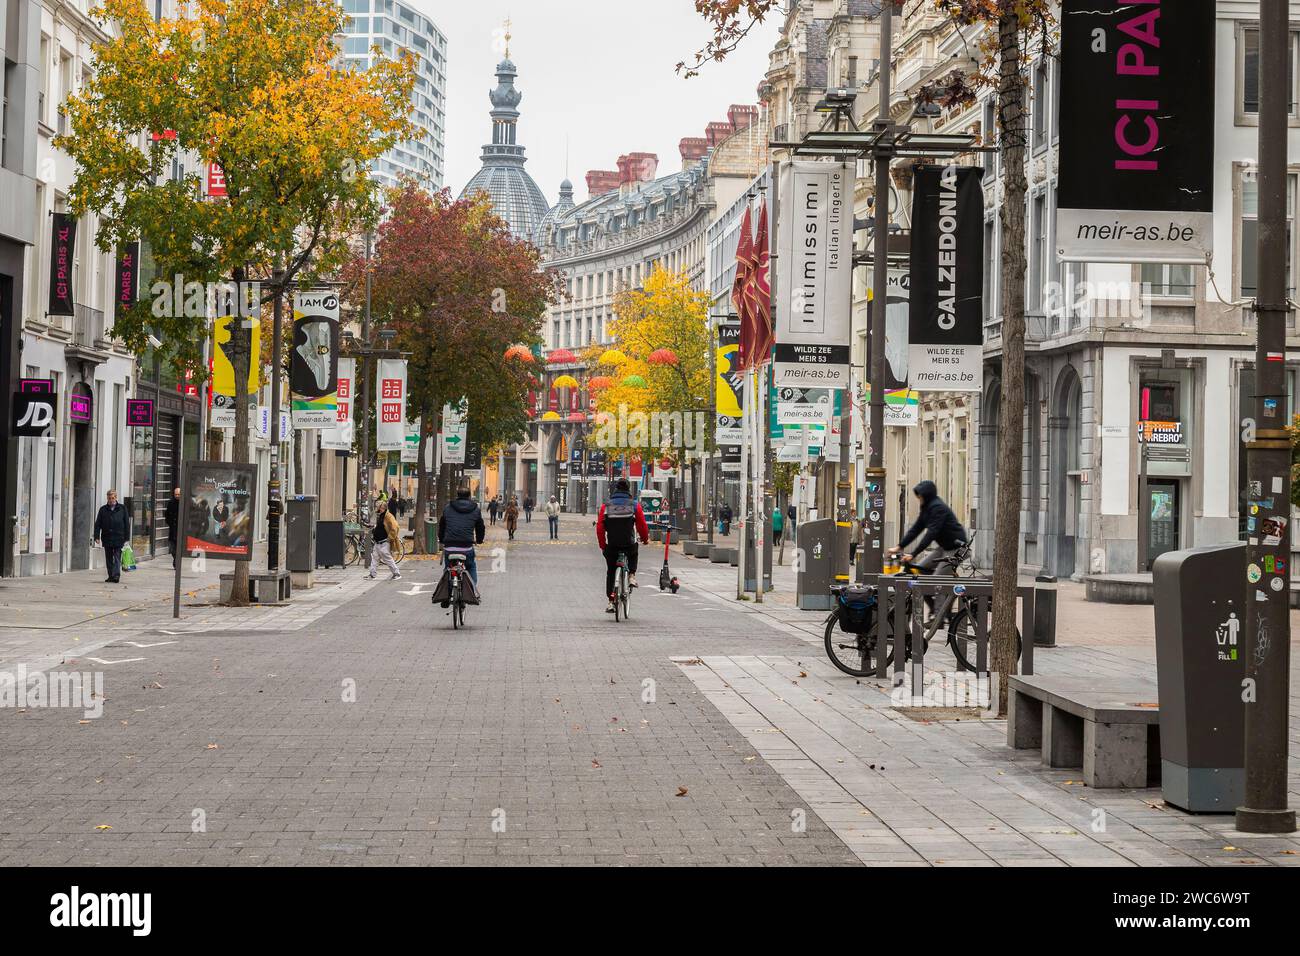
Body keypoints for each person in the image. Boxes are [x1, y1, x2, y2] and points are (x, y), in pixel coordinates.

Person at [889, 479, 968, 575]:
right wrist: (899, 546)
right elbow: (916, 529)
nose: (918, 498)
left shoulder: (938, 508)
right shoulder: (926, 508)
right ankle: (947, 578)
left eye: (920, 496)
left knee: (936, 581)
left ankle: (949, 584)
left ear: (927, 496)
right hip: (945, 547)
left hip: (957, 549)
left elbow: (931, 534)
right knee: (921, 568)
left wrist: (913, 554)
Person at [596, 478, 649, 613]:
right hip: (628, 544)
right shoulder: (634, 505)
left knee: (611, 571)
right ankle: (631, 574)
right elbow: (642, 524)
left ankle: (611, 601)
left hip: (612, 545)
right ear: (628, 490)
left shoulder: (606, 506)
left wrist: (603, 545)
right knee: (634, 550)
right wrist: (644, 538)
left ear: (615, 489)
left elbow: (600, 527)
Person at [438, 482, 485, 586]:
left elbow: (442, 526)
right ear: (469, 496)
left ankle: (446, 592)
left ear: (457, 495)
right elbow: (480, 527)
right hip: (467, 546)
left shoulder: (448, 508)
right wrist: (479, 540)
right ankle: (472, 589)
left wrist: (441, 539)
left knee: (448, 568)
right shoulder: (475, 509)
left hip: (450, 546)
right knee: (471, 566)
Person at [93, 489, 131, 583]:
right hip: (107, 537)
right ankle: (110, 576)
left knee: (117, 557)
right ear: (107, 498)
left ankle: (116, 576)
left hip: (119, 537)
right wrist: (96, 536)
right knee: (109, 558)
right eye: (109, 498)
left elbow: (127, 523)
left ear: (116, 498)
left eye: (112, 498)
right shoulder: (103, 509)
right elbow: (98, 524)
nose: (111, 500)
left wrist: (127, 538)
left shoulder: (122, 508)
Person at [367, 498, 402, 580]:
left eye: (377, 507)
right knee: (375, 558)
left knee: (387, 558)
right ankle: (372, 574)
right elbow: (380, 527)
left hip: (384, 542)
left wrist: (389, 538)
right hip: (378, 542)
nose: (376, 508)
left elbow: (395, 527)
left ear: (381, 507)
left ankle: (397, 574)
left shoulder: (388, 516)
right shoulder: (381, 515)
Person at [165, 486, 181, 568]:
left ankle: (176, 562)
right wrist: (170, 523)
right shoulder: (171, 503)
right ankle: (176, 559)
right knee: (172, 548)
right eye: (176, 494)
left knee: (179, 548)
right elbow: (167, 515)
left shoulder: (183, 503)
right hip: (173, 529)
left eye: (179, 494)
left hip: (180, 530)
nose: (177, 496)